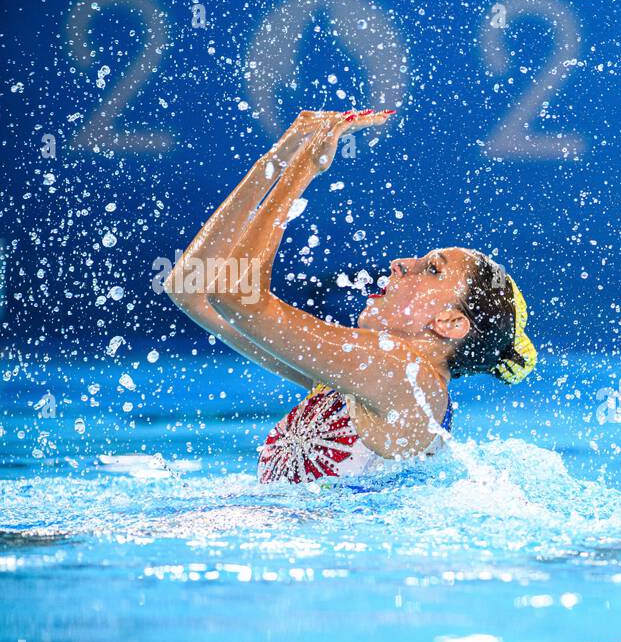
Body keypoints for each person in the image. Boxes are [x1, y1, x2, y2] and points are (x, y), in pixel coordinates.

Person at [163, 110, 536, 483]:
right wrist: (274, 161)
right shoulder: (357, 380)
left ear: (452, 323)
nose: (400, 264)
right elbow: (190, 290)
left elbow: (237, 299)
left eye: (431, 269)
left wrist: (300, 171)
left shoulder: (408, 379)